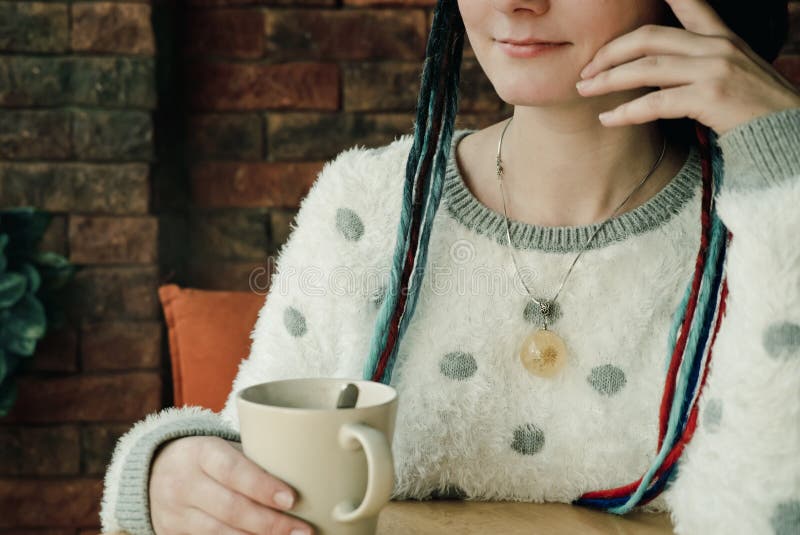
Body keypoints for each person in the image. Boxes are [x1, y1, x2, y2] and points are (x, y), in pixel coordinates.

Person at [100, 1, 800, 534]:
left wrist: (789, 165)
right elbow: (251, 466)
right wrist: (162, 475)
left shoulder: (764, 221)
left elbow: (771, 508)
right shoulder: (366, 204)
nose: (517, 1)